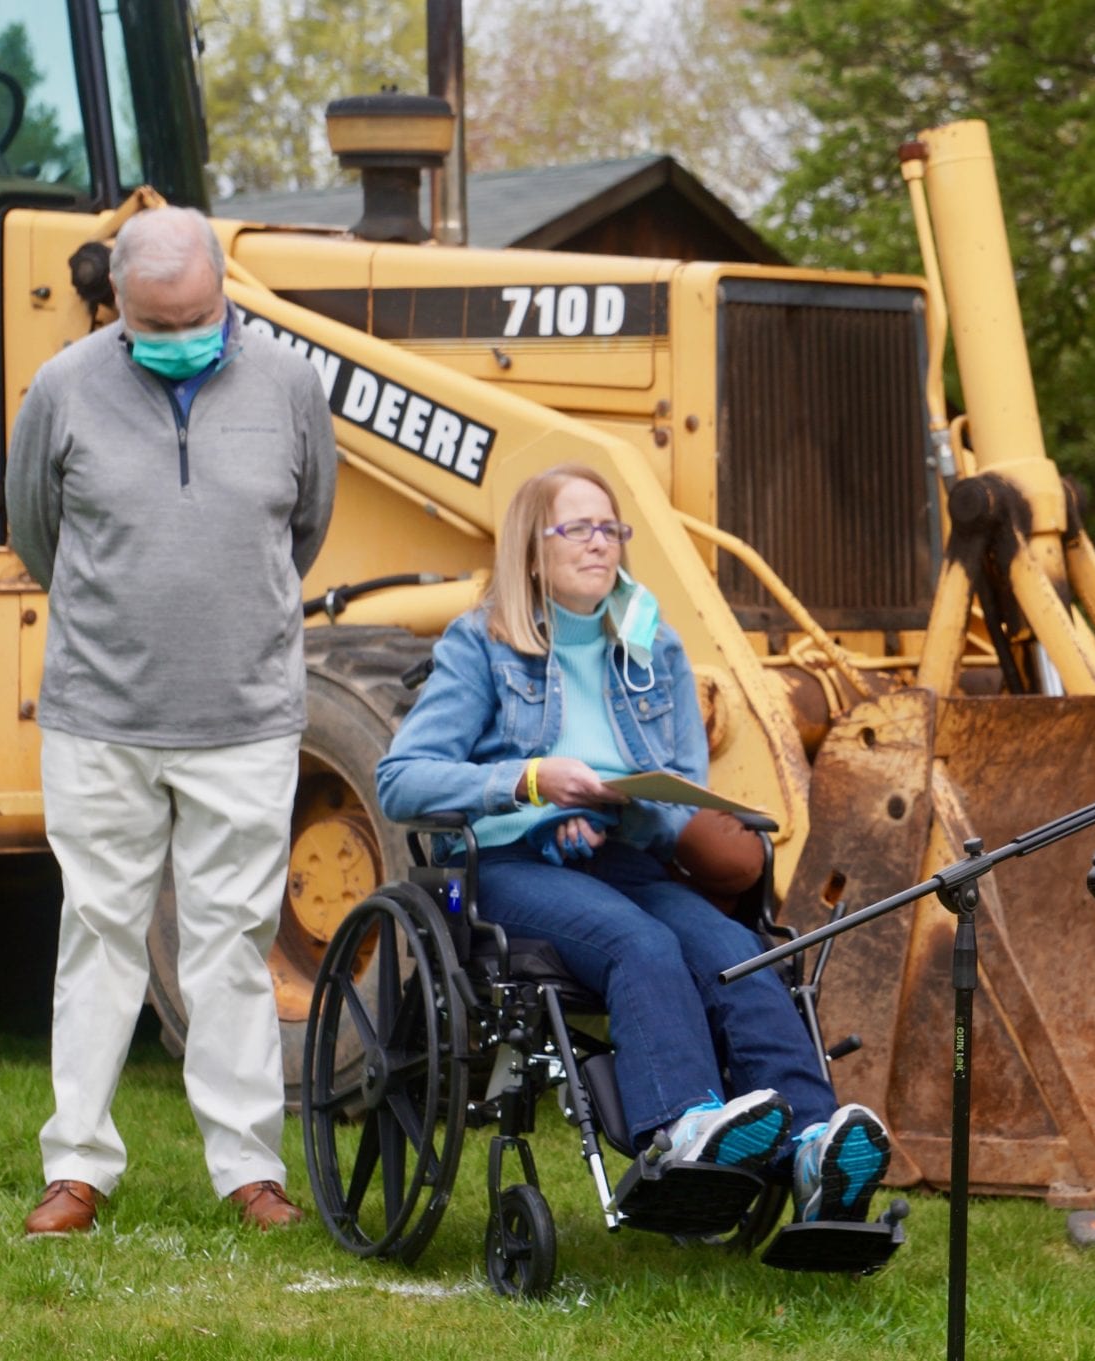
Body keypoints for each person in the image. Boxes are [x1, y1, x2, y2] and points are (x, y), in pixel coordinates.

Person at [376, 464, 890, 1225]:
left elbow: (677, 787)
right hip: (506, 863)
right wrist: (532, 781)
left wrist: (626, 808)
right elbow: (401, 780)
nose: (599, 543)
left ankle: (814, 1144)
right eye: (576, 528)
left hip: (623, 855)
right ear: (531, 548)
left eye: (610, 528)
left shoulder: (656, 650)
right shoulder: (480, 645)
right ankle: (685, 1132)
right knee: (637, 942)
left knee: (735, 947)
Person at [7, 206, 337, 1235]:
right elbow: (35, 533)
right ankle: (77, 1167)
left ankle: (248, 1170)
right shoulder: (63, 388)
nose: (181, 330)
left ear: (222, 292)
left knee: (231, 943)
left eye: (197, 313)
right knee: (97, 933)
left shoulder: (289, 385)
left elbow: (304, 525)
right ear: (118, 308)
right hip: (101, 718)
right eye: (157, 320)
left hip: (244, 718)